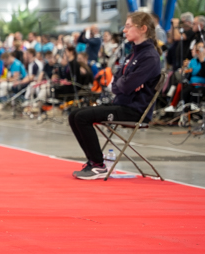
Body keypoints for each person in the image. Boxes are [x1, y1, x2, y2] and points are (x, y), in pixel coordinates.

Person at [68, 11, 162, 180]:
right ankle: (93, 161)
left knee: (82, 117)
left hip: (135, 110)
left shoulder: (149, 56)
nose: (124, 30)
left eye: (128, 26)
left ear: (143, 29)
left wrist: (125, 84)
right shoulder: (133, 52)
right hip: (122, 103)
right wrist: (125, 84)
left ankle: (98, 166)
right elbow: (117, 81)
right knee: (74, 115)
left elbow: (124, 85)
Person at [180, 41, 205, 107]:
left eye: (202, 47)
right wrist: (184, 70)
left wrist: (202, 61)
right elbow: (188, 75)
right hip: (192, 85)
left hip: (204, 86)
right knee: (184, 91)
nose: (200, 50)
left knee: (195, 93)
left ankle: (192, 109)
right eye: (198, 48)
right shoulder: (193, 61)